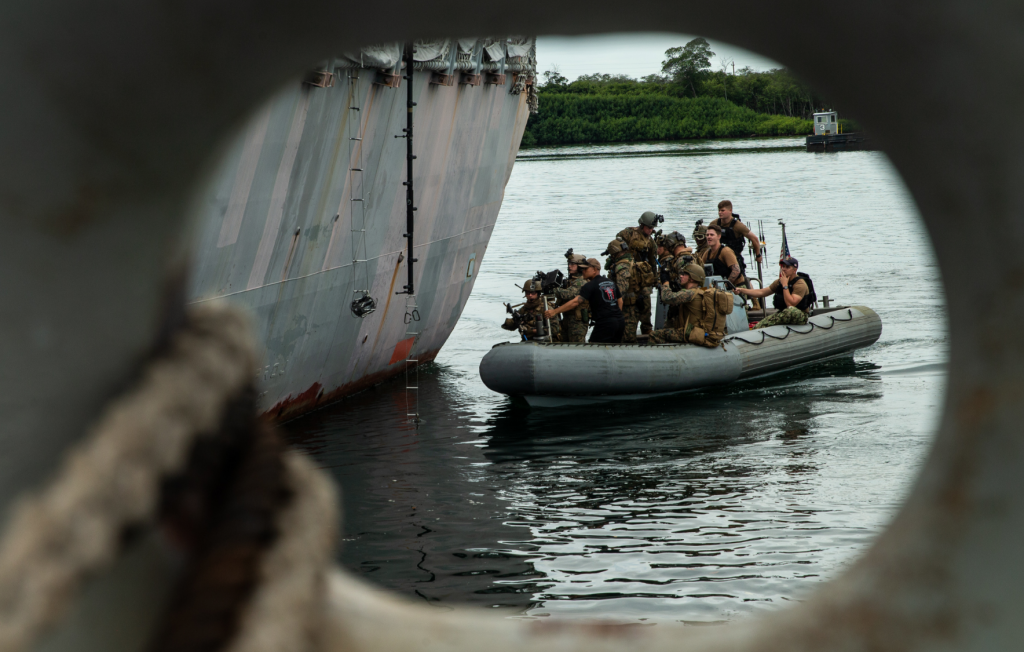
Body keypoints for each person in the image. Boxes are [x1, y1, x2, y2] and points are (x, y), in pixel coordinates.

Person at [648, 262, 732, 346]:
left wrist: (665, 282)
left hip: (690, 332)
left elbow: (666, 297)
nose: (681, 276)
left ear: (692, 278)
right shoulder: (701, 291)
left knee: (654, 335)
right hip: (698, 331)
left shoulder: (690, 293)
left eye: (684, 274)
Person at [545, 258, 625, 343]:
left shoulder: (590, 285)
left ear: (594, 269)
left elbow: (575, 302)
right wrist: (616, 316)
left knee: (593, 347)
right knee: (615, 347)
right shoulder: (611, 282)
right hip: (620, 321)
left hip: (605, 323)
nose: (583, 271)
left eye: (586, 269)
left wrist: (554, 312)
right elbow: (620, 301)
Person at [734, 256, 816, 328]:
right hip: (783, 313)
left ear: (794, 270)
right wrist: (742, 290)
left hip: (799, 315)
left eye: (787, 267)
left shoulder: (800, 284)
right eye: (783, 266)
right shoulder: (779, 282)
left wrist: (785, 285)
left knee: (790, 310)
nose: (783, 269)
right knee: (758, 327)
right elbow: (762, 292)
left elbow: (791, 304)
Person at [617, 211, 660, 337]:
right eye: (649, 228)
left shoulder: (651, 242)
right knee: (628, 303)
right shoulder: (627, 234)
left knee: (646, 304)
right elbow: (616, 248)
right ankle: (625, 329)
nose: (651, 231)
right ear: (642, 225)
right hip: (628, 276)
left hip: (643, 277)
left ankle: (646, 328)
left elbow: (653, 263)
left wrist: (655, 280)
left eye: (652, 228)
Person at [602, 238, 642, 342]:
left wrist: (614, 311)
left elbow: (621, 291)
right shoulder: (631, 260)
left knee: (627, 339)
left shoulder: (621, 266)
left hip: (628, 309)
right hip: (631, 306)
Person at [709, 200, 762, 275]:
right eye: (719, 210)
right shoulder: (714, 224)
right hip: (718, 258)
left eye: (722, 210)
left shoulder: (738, 225)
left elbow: (754, 239)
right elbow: (708, 238)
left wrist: (758, 255)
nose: (720, 212)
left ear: (730, 210)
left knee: (741, 277)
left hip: (735, 258)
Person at [553, 250, 590, 342]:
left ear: (580, 267)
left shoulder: (581, 281)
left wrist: (553, 289)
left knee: (576, 346)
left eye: (573, 264)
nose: (569, 266)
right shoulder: (571, 281)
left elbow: (568, 295)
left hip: (577, 322)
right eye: (569, 264)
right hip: (567, 318)